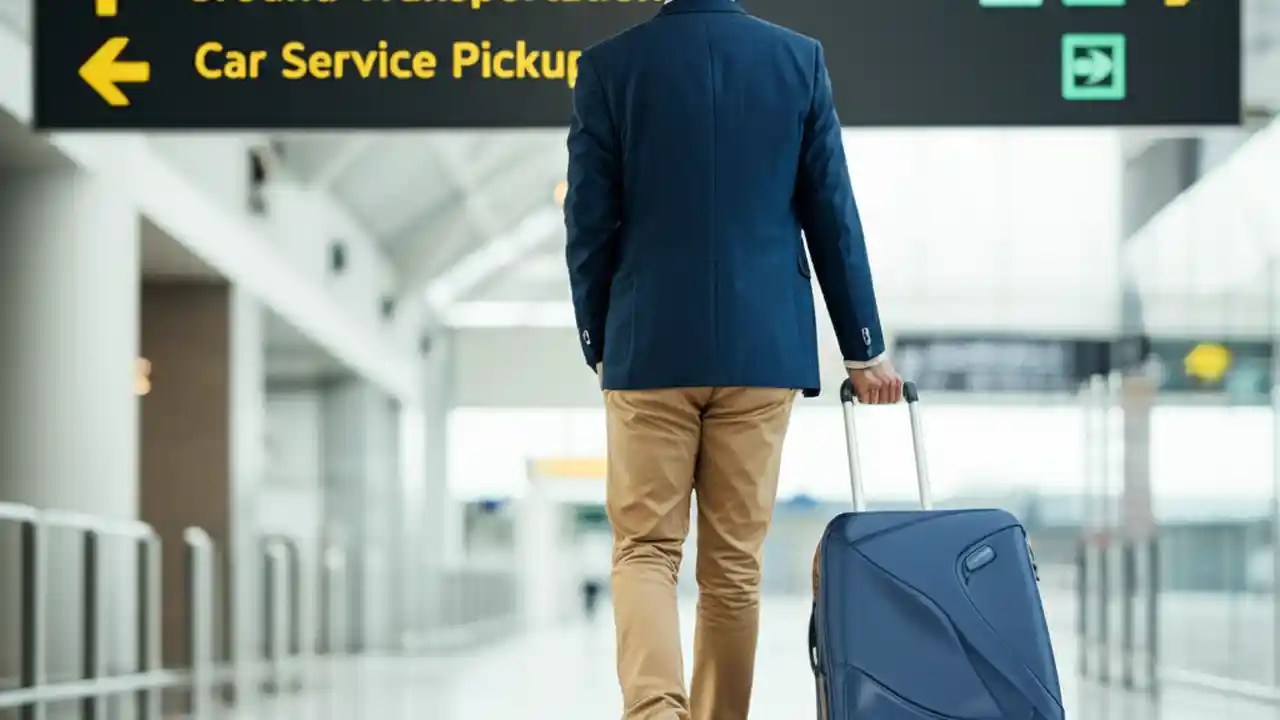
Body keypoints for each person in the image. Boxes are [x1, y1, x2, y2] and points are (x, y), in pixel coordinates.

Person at [564, 1, 902, 718]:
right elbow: (831, 213)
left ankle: (656, 712)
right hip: (762, 350)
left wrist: (601, 338)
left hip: (649, 346)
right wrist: (862, 349)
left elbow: (588, 221)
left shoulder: (611, 66)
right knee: (733, 571)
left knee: (647, 551)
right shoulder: (797, 60)